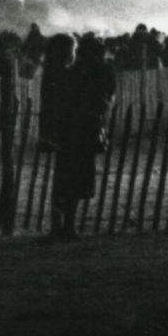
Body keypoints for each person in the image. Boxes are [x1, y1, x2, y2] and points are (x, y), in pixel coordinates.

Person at [43, 33, 116, 241]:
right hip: (81, 134)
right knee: (76, 182)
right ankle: (67, 226)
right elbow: (103, 100)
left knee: (64, 181)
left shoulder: (66, 73)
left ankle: (61, 227)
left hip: (68, 134)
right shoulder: (92, 72)